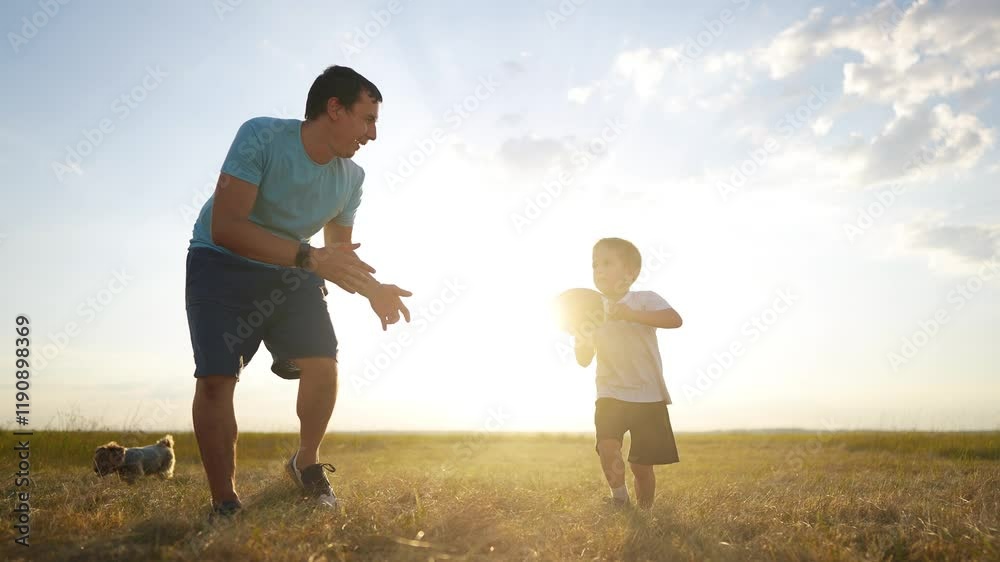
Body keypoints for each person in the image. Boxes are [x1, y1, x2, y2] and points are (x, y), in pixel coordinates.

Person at [185, 65, 411, 517]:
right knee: (215, 380)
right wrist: (310, 260)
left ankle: (305, 463)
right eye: (367, 119)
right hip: (220, 263)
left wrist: (372, 289)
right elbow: (226, 226)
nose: (372, 134)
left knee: (323, 365)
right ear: (334, 108)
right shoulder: (261, 136)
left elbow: (336, 255)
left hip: (291, 272)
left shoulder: (352, 178)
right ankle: (225, 503)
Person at [573, 238, 683, 509]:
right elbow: (583, 360)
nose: (599, 269)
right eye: (595, 264)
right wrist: (583, 339)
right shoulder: (590, 309)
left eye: (607, 263)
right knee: (608, 447)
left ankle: (645, 512)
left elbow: (674, 320)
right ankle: (619, 500)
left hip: (649, 395)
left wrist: (630, 314)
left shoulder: (644, 299)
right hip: (610, 393)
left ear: (630, 273)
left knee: (641, 466)